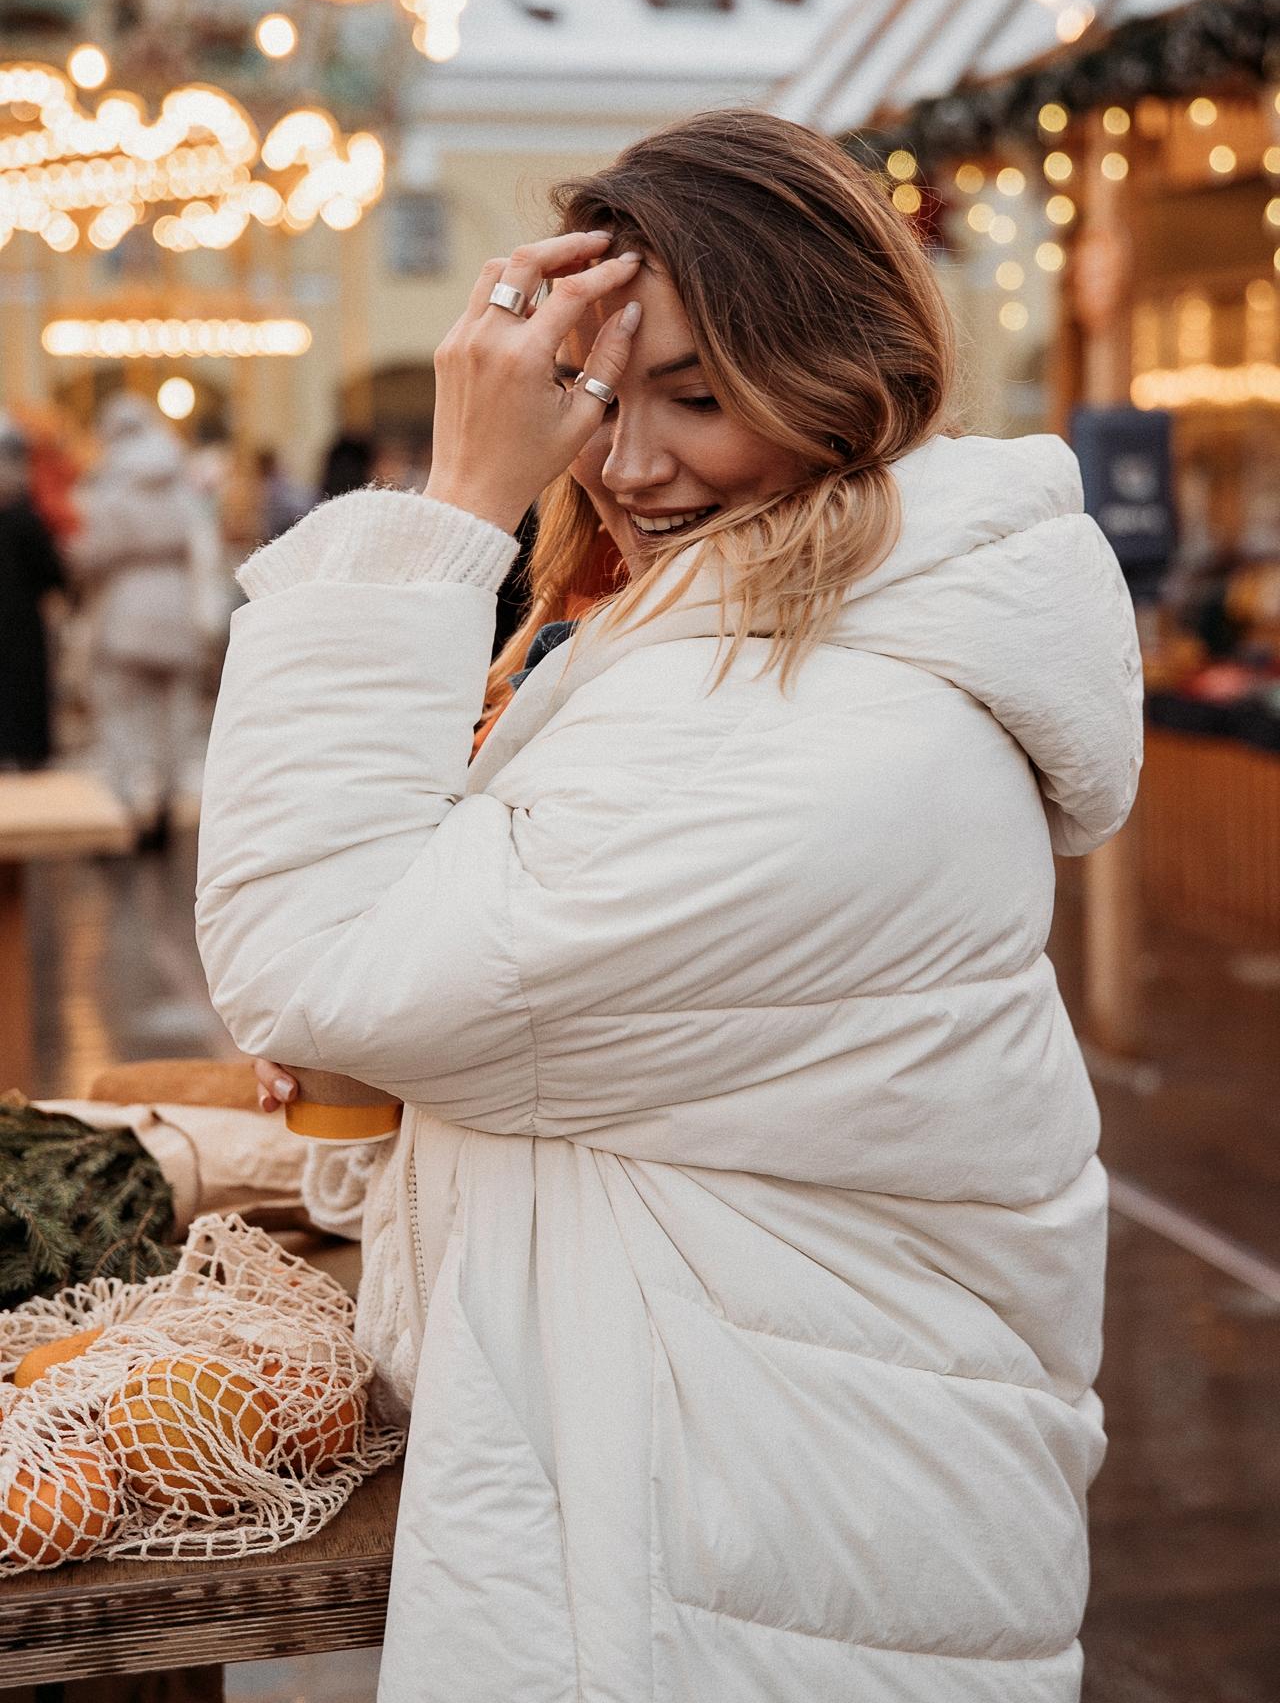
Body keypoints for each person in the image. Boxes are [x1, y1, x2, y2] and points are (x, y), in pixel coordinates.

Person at [196, 112, 1142, 1703]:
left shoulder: (839, 725)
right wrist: (413, 1073)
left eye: (698, 398)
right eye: (594, 398)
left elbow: (317, 959)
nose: (628, 464)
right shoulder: (696, 643)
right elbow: (558, 1082)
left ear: (847, 376)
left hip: (753, 1558)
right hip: (710, 1511)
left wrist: (457, 496)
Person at [71, 391, 204, 851]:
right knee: (174, 716)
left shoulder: (112, 484)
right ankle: (166, 800)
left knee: (123, 713)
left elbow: (99, 553)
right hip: (175, 603)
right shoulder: (180, 481)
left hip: (126, 605)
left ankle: (130, 805)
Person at [0, 423, 67, 771]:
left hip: (20, 617)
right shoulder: (25, 519)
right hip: (22, 618)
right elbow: (51, 572)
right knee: (23, 689)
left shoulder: (25, 519)